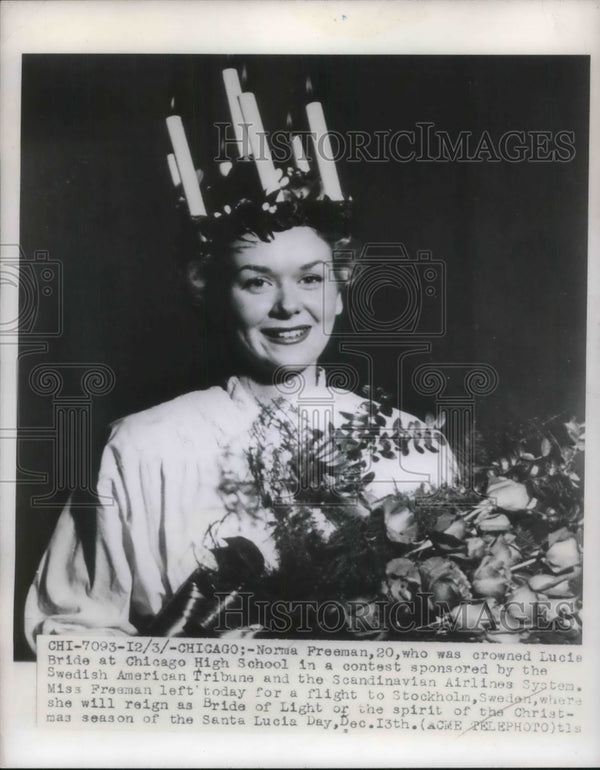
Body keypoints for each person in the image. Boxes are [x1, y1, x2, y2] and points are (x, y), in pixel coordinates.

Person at [25, 85, 456, 649]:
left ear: (341, 291)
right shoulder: (143, 446)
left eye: (310, 278)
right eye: (257, 281)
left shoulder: (414, 447)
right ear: (215, 296)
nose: (288, 306)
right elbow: (66, 637)